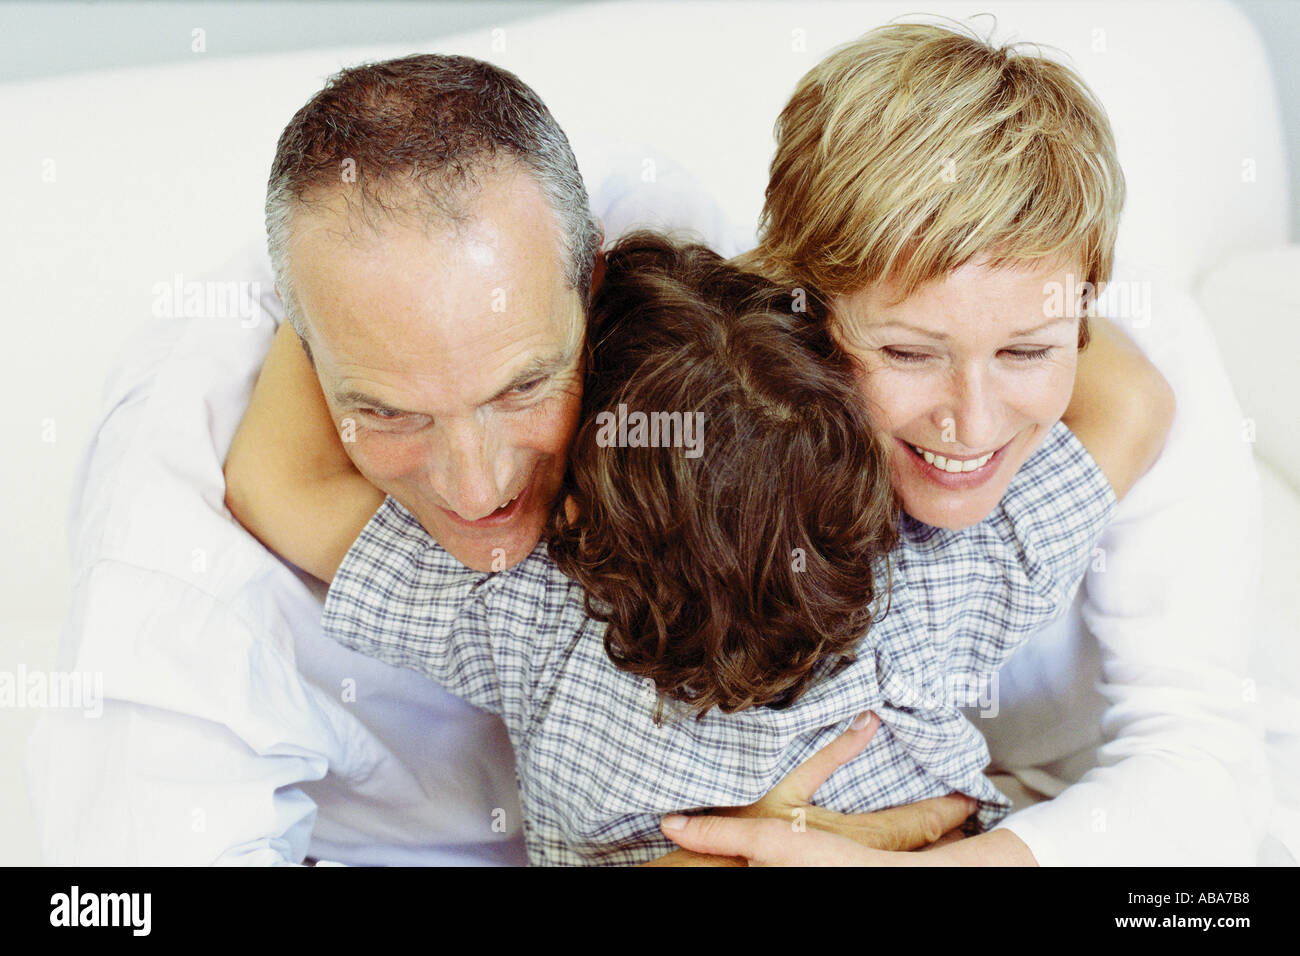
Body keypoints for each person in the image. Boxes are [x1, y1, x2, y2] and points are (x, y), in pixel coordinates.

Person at [223, 230, 1160, 865]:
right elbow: (1131, 397)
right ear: (862, 475)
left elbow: (277, 478)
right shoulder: (940, 574)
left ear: (575, 513)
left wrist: (352, 302)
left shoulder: (520, 601)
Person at [662, 22, 1268, 866]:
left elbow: (1205, 770)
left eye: (1027, 351)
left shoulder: (1157, 371)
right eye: (909, 354)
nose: (973, 425)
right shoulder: (727, 405)